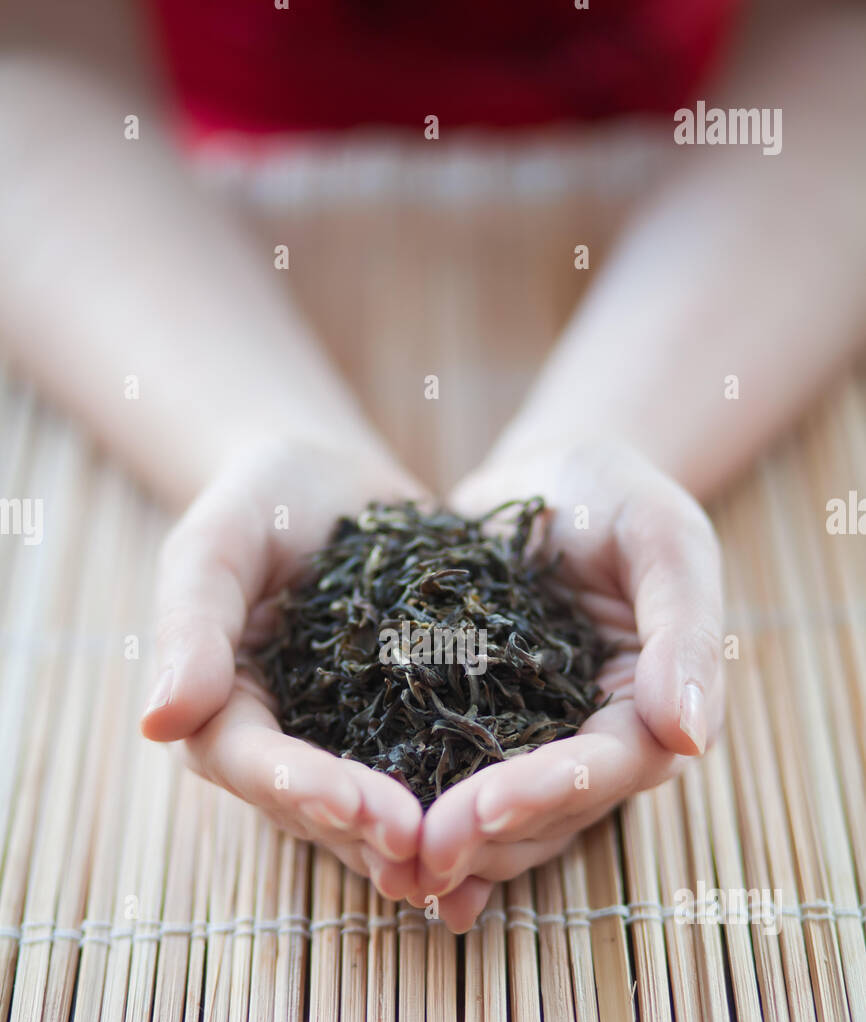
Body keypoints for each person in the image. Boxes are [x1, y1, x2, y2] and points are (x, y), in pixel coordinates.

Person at [1, 1, 864, 932]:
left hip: (719, 213)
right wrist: (253, 437)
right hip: (171, 232)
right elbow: (32, 55)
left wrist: (618, 433)